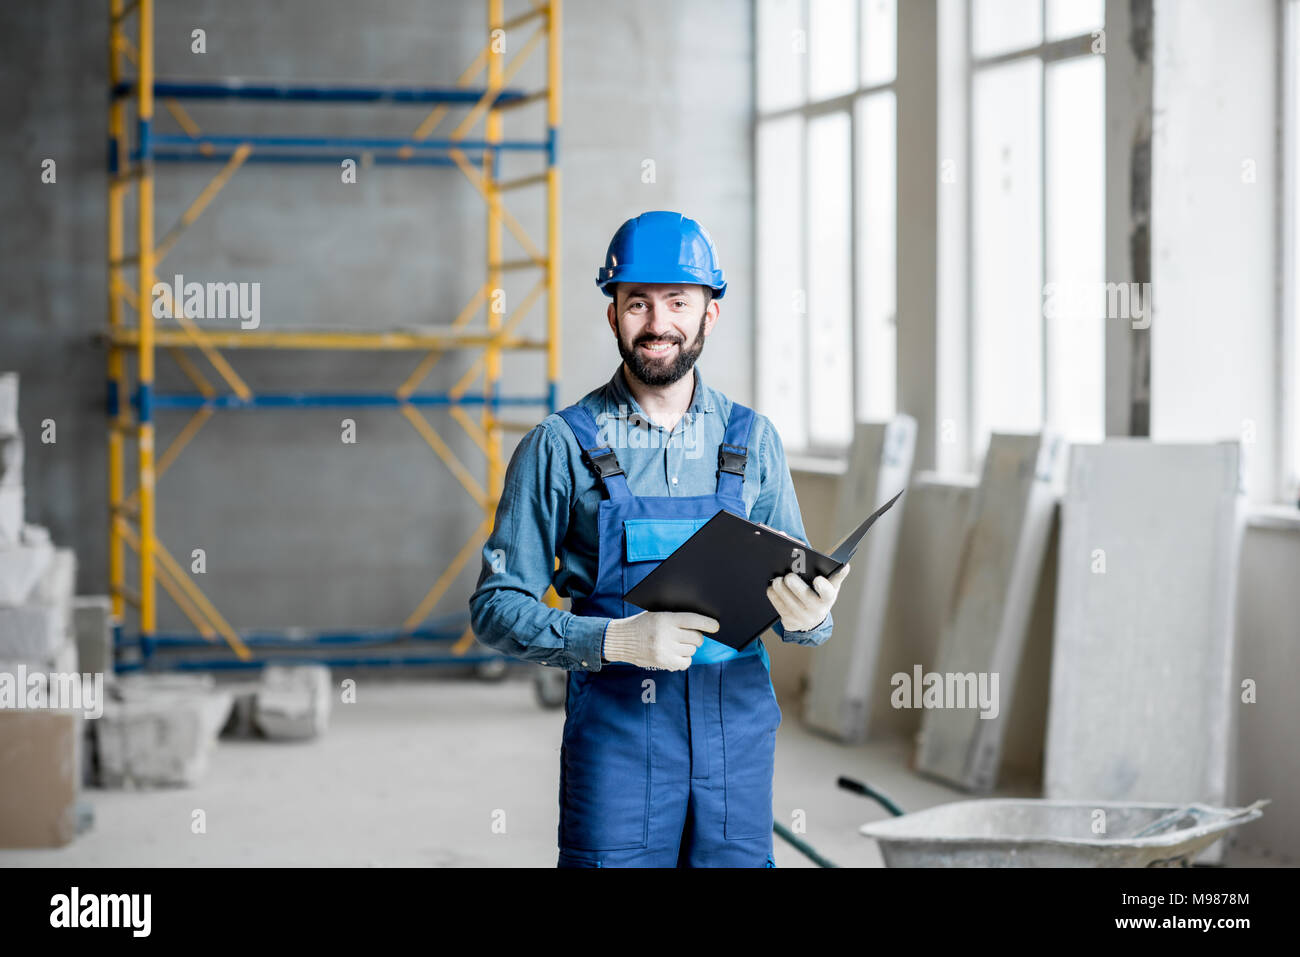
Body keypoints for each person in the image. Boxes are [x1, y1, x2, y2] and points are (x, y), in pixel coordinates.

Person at [469, 210, 851, 867]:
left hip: (736, 738)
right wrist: (613, 638)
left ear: (710, 313)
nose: (657, 323)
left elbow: (798, 606)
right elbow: (495, 606)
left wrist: (814, 618)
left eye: (677, 301)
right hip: (619, 739)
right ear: (613, 313)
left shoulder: (753, 440)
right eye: (637, 302)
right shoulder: (560, 446)